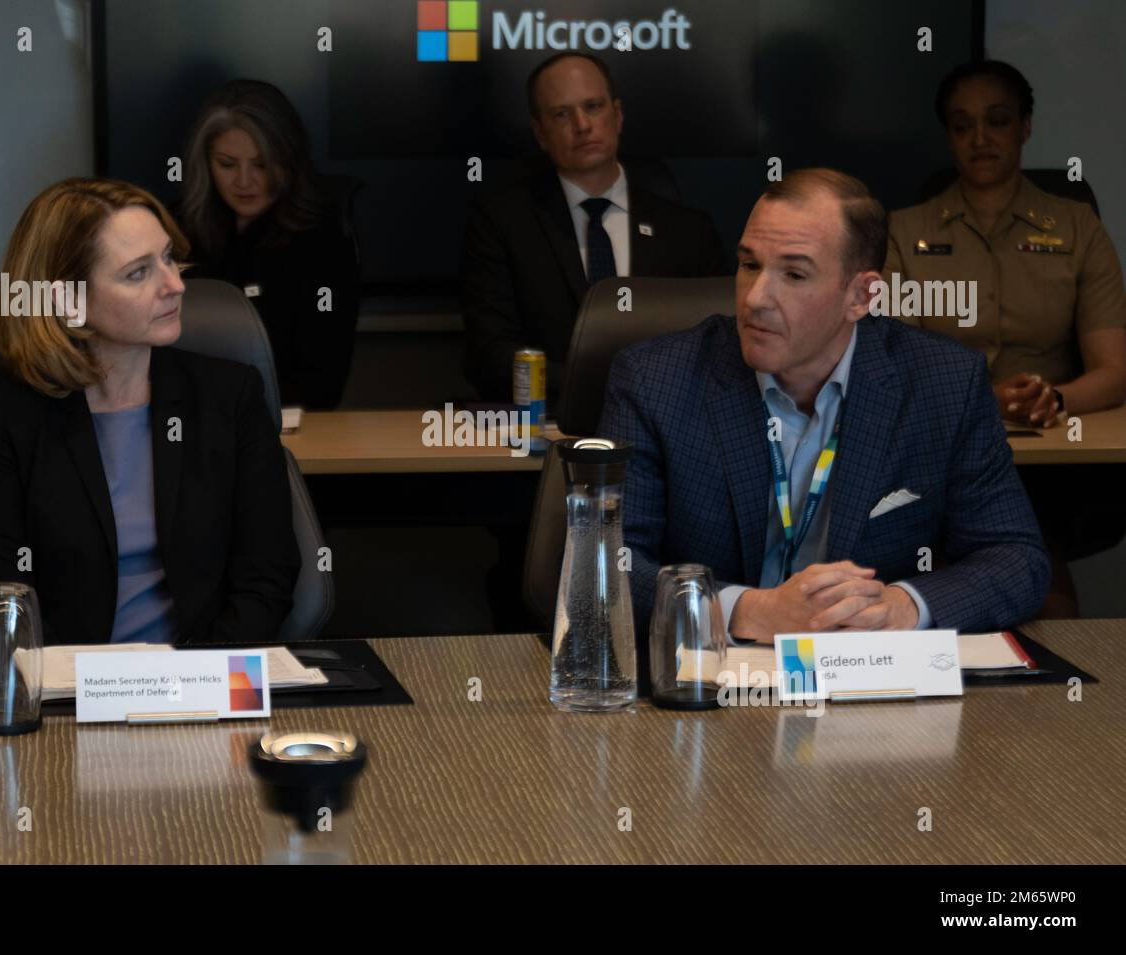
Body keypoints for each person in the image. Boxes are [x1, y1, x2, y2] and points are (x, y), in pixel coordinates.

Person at [599, 168, 1050, 645]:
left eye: (793, 274)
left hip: (866, 679)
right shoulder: (655, 380)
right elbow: (607, 562)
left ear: (862, 295)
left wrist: (901, 608)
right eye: (750, 265)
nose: (755, 300)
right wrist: (746, 611)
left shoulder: (943, 384)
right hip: (714, 679)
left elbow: (1016, 557)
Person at [0, 177, 301, 646]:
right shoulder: (8, 415)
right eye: (138, 273)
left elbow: (266, 579)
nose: (176, 284)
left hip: (206, 688)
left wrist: (197, 687)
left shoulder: (230, 395)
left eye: (169, 258)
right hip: (65, 694)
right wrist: (78, 691)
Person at [885, 60, 1126, 616]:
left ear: (1026, 126)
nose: (980, 138)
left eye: (997, 120)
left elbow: (1114, 368)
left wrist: (1055, 399)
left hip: (1052, 461)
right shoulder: (902, 232)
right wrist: (984, 400)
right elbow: (893, 363)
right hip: (939, 454)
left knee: (1047, 595)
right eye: (962, 125)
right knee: (946, 584)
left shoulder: (1077, 227)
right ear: (948, 135)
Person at [462, 52, 727, 410]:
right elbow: (490, 353)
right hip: (551, 420)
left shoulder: (688, 231)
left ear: (617, 116)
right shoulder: (501, 224)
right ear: (540, 133)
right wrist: (595, 386)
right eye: (561, 113)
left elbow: (721, 344)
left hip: (671, 423)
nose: (582, 124)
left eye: (593, 106)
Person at [180, 79, 359, 409]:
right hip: (182, 425)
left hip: (280, 429)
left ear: (288, 161)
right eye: (227, 164)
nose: (244, 181)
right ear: (205, 163)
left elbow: (321, 386)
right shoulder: (172, 232)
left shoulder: (322, 241)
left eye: (261, 164)